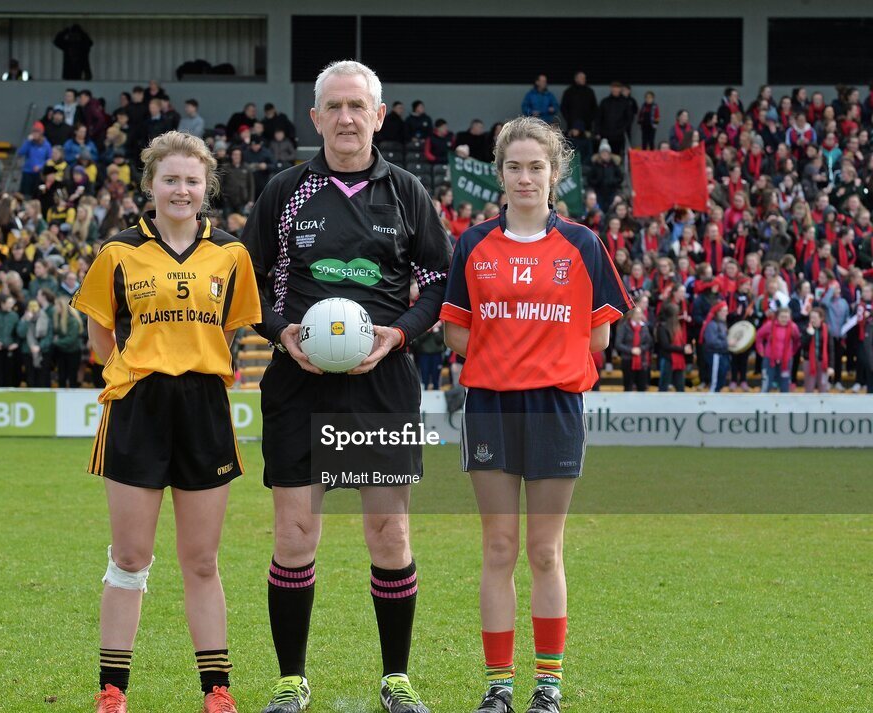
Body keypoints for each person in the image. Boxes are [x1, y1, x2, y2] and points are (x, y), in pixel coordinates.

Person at [242, 60, 451, 713]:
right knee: (295, 535)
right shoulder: (284, 190)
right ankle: (289, 680)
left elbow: (442, 284)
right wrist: (282, 335)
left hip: (382, 385)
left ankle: (396, 679)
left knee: (389, 533)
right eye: (333, 106)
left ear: (379, 115)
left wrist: (399, 334)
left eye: (357, 106)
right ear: (315, 117)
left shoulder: (408, 192)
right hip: (298, 387)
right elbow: (244, 282)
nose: (346, 117)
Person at [440, 116, 631, 713]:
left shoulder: (583, 245)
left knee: (546, 551)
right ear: (499, 175)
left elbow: (599, 340)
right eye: (515, 168)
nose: (526, 178)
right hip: (492, 405)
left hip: (555, 407)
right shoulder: (473, 244)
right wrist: (511, 356)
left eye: (537, 167)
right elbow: (454, 332)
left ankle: (547, 686)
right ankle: (498, 686)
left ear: (556, 175)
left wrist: (534, 354)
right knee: (498, 548)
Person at [71, 130, 261, 713]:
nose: (182, 190)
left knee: (202, 561)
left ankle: (216, 691)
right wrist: (131, 371)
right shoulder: (118, 253)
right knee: (129, 558)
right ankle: (112, 690)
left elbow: (232, 326)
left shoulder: (231, 254)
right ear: (149, 185)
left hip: (203, 408)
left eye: (193, 181)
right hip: (137, 409)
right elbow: (99, 332)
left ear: (207, 190)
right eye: (171, 179)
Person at [755, 307, 800, 393]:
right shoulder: (769, 325)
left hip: (786, 360)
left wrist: (792, 352)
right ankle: (761, 404)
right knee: (767, 383)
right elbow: (759, 336)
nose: (784, 319)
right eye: (782, 317)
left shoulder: (793, 327)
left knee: (785, 384)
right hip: (769, 359)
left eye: (786, 317)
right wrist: (760, 349)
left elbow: (797, 341)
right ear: (777, 317)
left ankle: (784, 405)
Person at [615, 307, 653, 391]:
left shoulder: (644, 327)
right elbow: (618, 344)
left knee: (642, 387)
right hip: (627, 360)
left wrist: (641, 349)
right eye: (637, 313)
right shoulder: (624, 326)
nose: (640, 315)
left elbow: (648, 342)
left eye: (640, 313)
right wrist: (631, 350)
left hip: (641, 360)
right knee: (628, 386)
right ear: (632, 315)